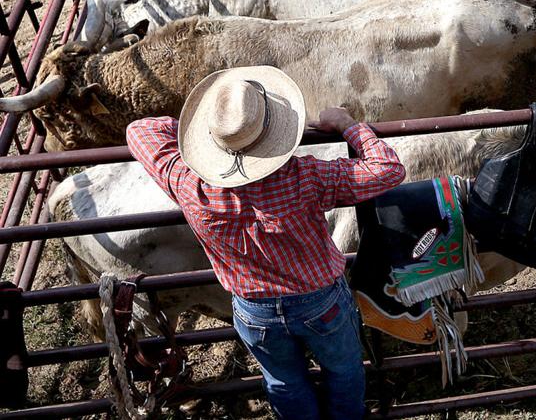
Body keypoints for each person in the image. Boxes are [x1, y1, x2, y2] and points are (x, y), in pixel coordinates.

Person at [127, 66, 406, 420]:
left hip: (254, 308)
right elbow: (389, 169)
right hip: (321, 300)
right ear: (275, 131)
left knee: (283, 380)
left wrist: (201, 128)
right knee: (345, 369)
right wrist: (347, 125)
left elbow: (139, 130)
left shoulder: (189, 187)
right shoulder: (307, 177)